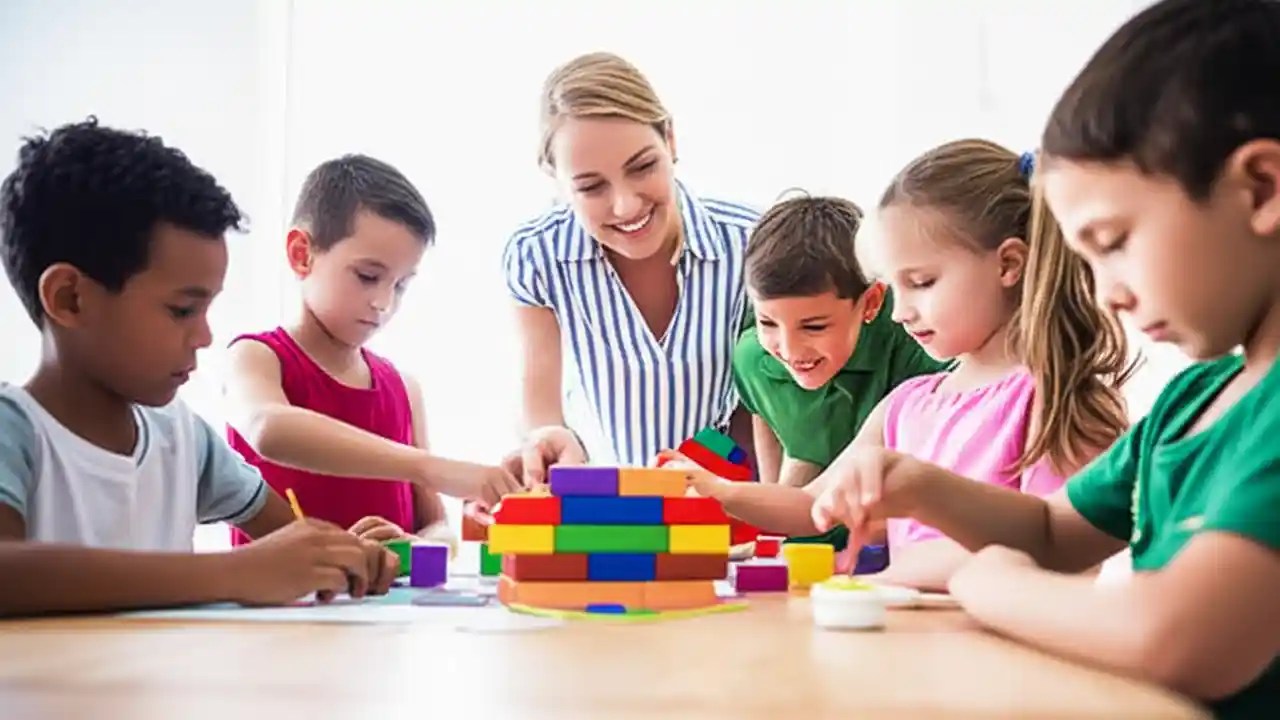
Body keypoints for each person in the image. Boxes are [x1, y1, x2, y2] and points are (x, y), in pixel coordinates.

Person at [813, 0, 1280, 714]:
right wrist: (920, 483)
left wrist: (986, 578)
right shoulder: (1192, 403)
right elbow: (1053, 532)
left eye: (1114, 240)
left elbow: (1179, 639)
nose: (1107, 294)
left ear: (1262, 189)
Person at [678, 138, 1134, 591]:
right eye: (897, 287)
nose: (900, 312)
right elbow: (812, 507)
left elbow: (1055, 550)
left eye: (921, 282)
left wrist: (882, 578)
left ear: (1009, 264)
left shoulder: (1058, 401)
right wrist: (720, 491)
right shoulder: (907, 405)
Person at [0, 119, 394, 615]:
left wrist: (345, 556)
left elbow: (289, 544)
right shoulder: (14, 432)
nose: (205, 335)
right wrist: (233, 572)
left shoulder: (184, 438)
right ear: (70, 298)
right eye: (182, 310)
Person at [223, 155, 519, 549]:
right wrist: (434, 468)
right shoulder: (257, 357)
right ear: (301, 253)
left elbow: (436, 528)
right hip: (282, 609)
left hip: (386, 611)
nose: (383, 302)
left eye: (400, 285)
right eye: (368, 276)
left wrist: (419, 546)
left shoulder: (403, 388)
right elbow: (268, 428)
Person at [502, 51, 759, 476]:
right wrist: (548, 441)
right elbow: (541, 409)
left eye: (643, 167)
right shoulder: (537, 254)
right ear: (556, 179)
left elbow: (765, 402)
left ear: (670, 140)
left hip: (724, 499)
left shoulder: (750, 240)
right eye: (590, 187)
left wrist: (707, 471)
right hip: (602, 504)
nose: (625, 205)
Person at [729, 195, 945, 551]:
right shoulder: (754, 358)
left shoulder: (918, 347)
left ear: (871, 303)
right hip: (814, 529)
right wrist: (771, 533)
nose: (790, 349)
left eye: (813, 327)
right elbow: (770, 426)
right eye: (768, 322)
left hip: (899, 539)